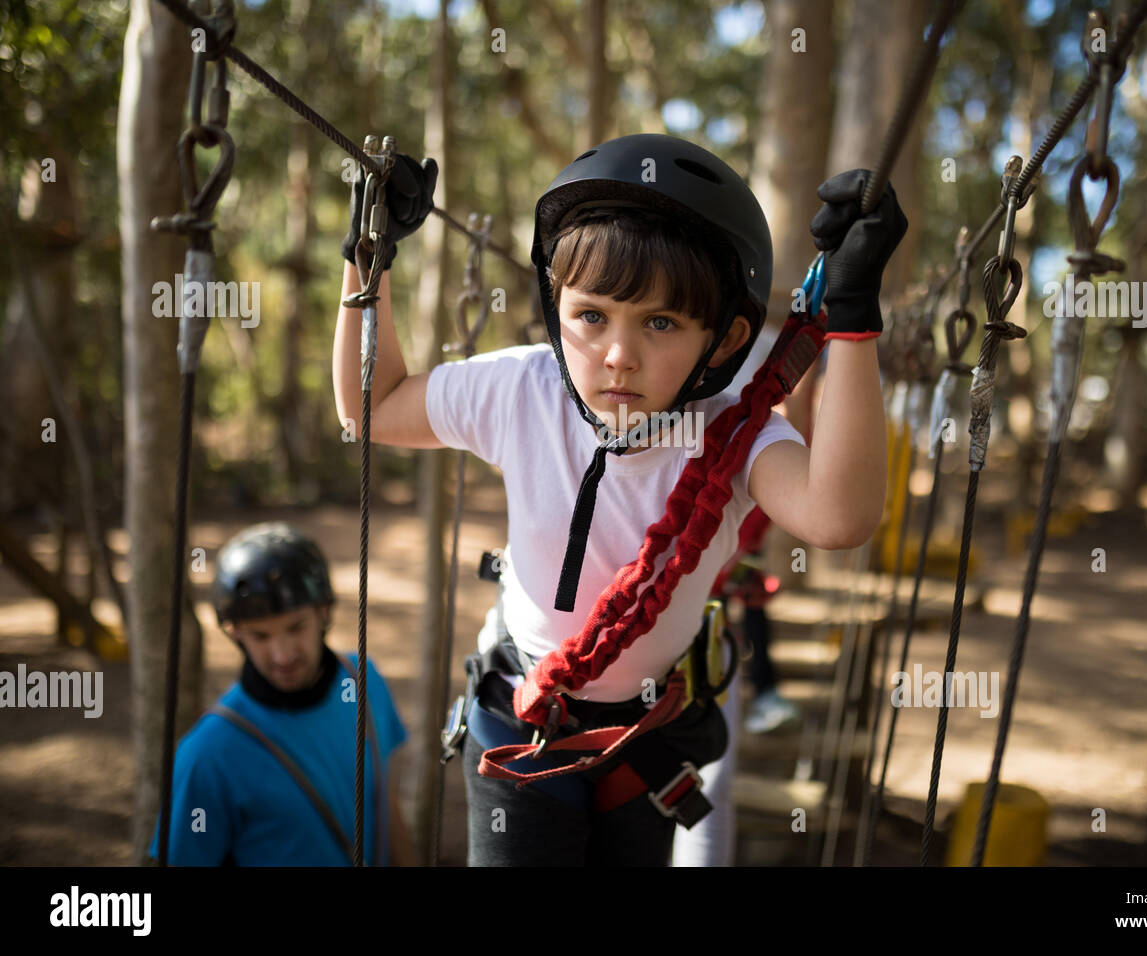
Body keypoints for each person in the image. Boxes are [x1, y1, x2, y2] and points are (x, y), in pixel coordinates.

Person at [332, 133, 906, 866]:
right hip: (520, 713)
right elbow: (369, 407)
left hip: (645, 740)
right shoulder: (522, 390)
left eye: (660, 323)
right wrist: (367, 261)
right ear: (553, 305)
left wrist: (851, 319)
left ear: (725, 338)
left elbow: (840, 517)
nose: (617, 355)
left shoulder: (732, 436)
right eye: (591, 315)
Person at [149, 523, 413, 866]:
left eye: (295, 627)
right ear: (235, 633)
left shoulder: (364, 682)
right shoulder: (207, 754)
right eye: (261, 636)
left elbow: (383, 800)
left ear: (324, 611)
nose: (283, 654)